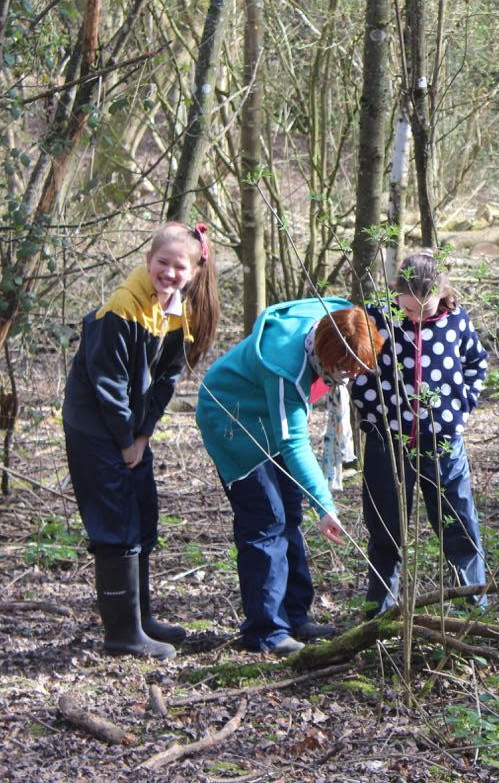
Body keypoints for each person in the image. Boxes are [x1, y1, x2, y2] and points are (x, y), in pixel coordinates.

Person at [62, 222, 218, 660]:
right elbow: (108, 384)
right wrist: (126, 440)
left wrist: (144, 435)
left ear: (193, 271)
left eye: (178, 266)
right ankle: (122, 634)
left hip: (131, 428)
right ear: (149, 261)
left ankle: (141, 618)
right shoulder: (122, 308)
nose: (169, 273)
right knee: (115, 520)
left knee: (142, 513)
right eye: (162, 263)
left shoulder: (175, 311)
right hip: (96, 425)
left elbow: (166, 378)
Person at [196, 300, 383, 655]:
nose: (352, 377)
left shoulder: (340, 317)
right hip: (233, 419)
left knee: (290, 515)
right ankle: (266, 630)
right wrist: (325, 505)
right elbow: (293, 441)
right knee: (266, 520)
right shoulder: (285, 368)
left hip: (267, 414)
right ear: (326, 355)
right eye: (347, 369)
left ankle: (295, 616)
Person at [351, 253, 489, 617]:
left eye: (423, 311)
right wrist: (371, 414)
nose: (415, 318)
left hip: (443, 442)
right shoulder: (379, 317)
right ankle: (379, 610)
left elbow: (477, 362)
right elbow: (360, 365)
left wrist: (461, 405)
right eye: (408, 309)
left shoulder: (457, 320)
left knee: (458, 523)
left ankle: (472, 602)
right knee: (385, 527)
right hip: (388, 442)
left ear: (441, 294)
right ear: (396, 294)